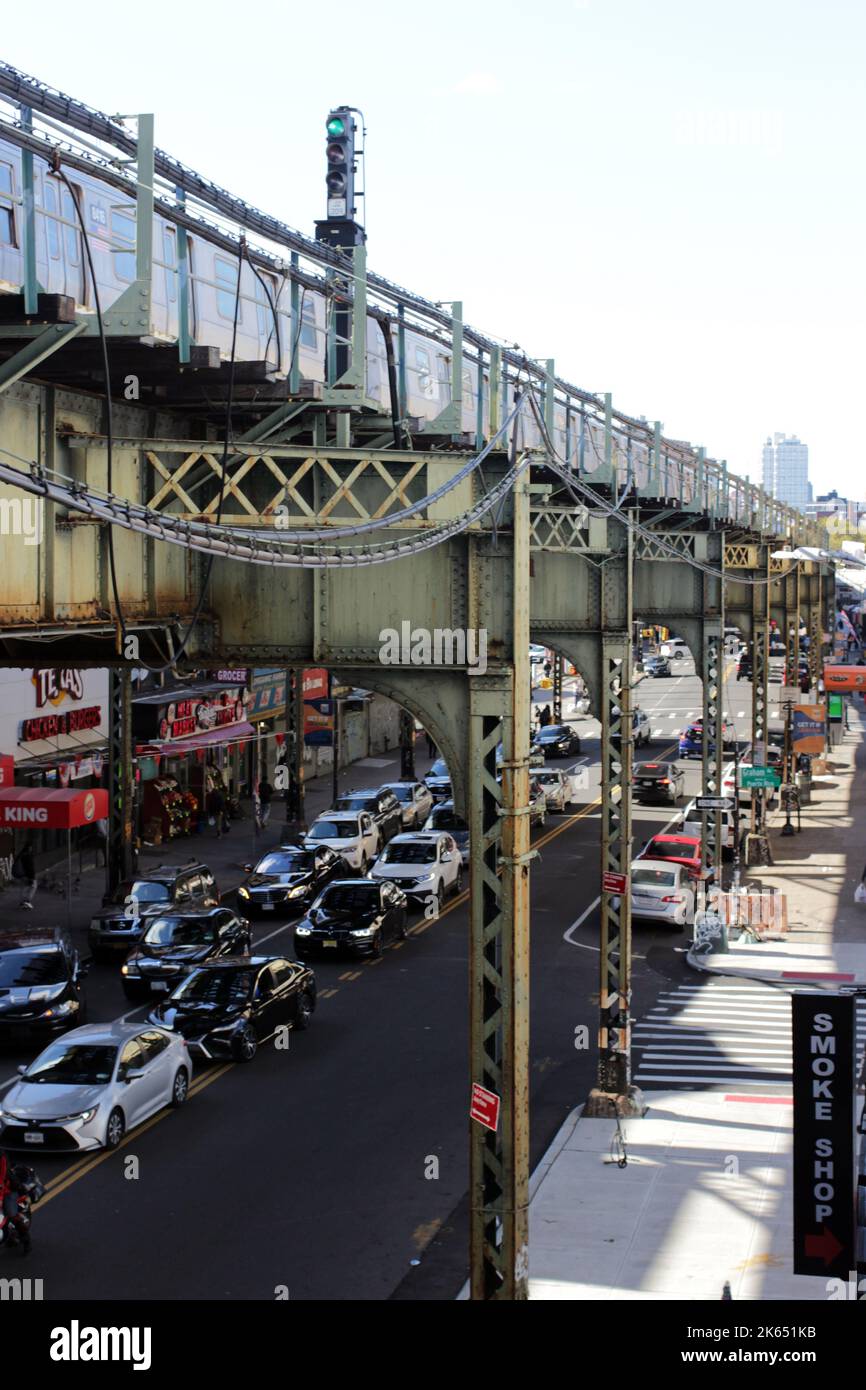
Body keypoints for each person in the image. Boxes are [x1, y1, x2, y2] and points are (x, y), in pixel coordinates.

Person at [13, 841, 36, 910]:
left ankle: (22, 903)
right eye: (31, 847)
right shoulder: (28, 855)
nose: (31, 849)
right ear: (29, 848)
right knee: (33, 886)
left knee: (23, 888)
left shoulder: (21, 854)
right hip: (27, 875)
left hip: (21, 875)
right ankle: (26, 902)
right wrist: (32, 877)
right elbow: (30, 868)